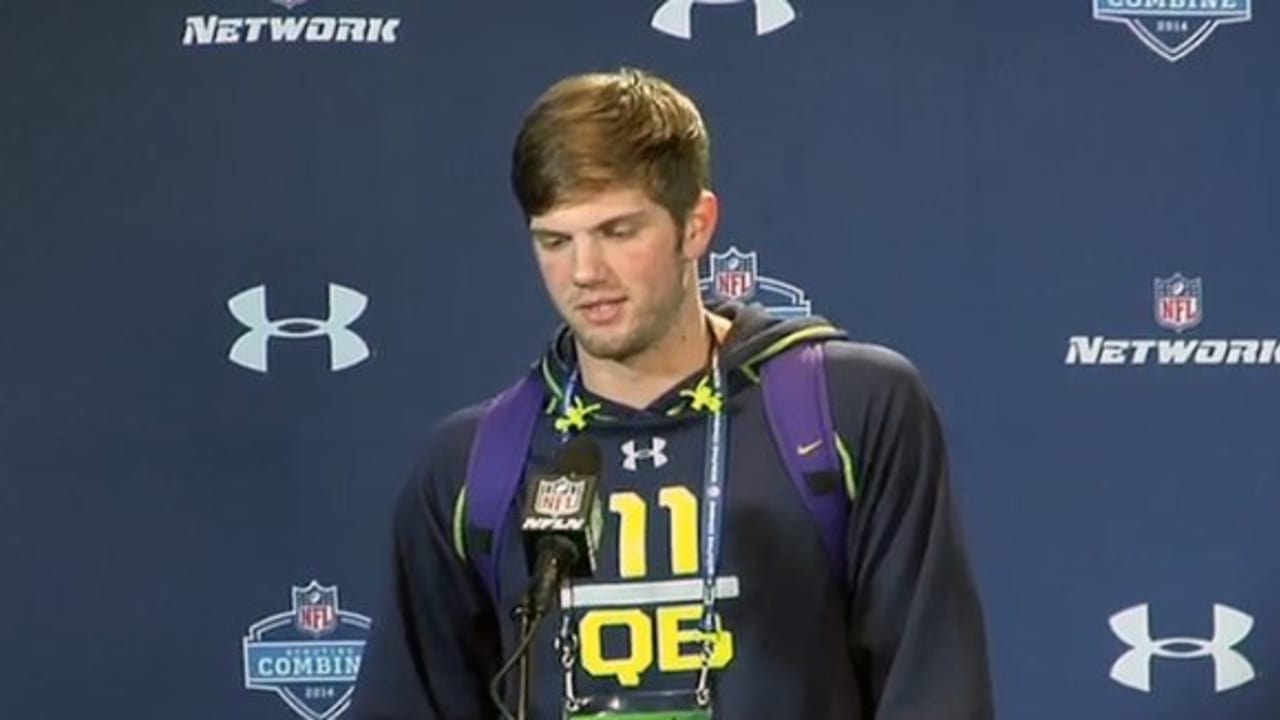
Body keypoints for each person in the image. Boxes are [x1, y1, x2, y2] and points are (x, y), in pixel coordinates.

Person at [350, 67, 994, 719]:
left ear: (696, 225)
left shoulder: (852, 411)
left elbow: (934, 685)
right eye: (555, 240)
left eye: (618, 232)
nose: (584, 273)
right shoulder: (471, 465)